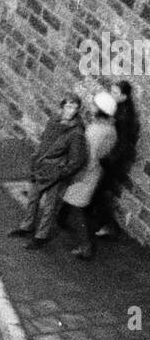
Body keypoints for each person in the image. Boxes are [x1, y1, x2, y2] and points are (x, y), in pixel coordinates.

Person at [8, 95, 87, 248]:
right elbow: (44, 143)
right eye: (69, 106)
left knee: (49, 207)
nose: (71, 110)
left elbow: (77, 160)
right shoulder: (53, 122)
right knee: (33, 198)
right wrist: (36, 160)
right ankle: (26, 226)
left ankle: (41, 237)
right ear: (62, 107)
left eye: (75, 108)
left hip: (56, 172)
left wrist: (61, 172)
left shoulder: (76, 132)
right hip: (42, 167)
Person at [59, 91, 118, 260]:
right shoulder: (110, 129)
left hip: (85, 173)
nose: (91, 107)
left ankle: (86, 246)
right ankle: (60, 219)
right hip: (95, 171)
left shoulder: (95, 131)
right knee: (68, 199)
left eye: (95, 105)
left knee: (77, 208)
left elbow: (87, 156)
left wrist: (74, 173)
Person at [94, 80, 140, 237]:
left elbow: (123, 143)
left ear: (124, 96)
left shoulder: (125, 117)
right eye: (111, 91)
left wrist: (108, 159)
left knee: (100, 191)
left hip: (113, 162)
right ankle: (104, 223)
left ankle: (109, 226)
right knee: (99, 190)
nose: (111, 95)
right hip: (110, 158)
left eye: (115, 93)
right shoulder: (120, 110)